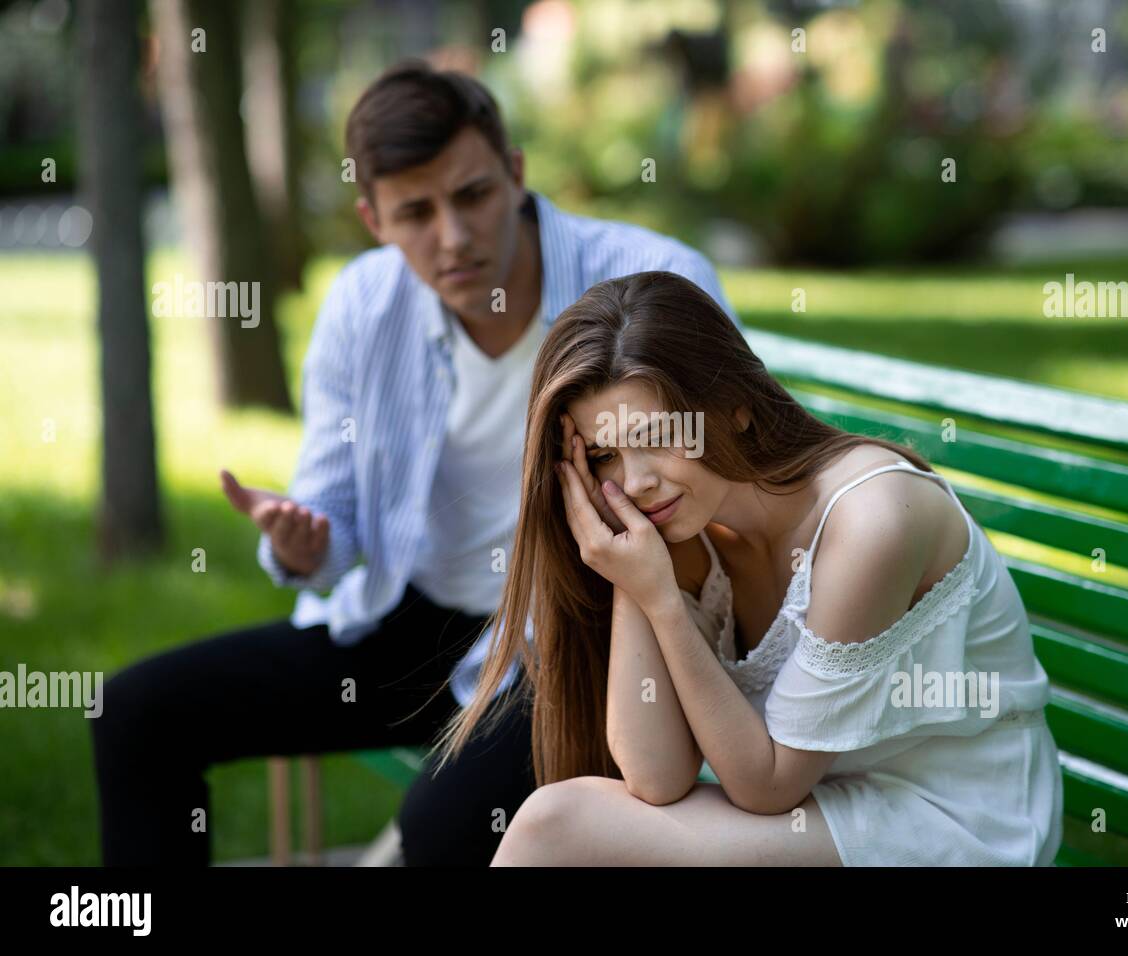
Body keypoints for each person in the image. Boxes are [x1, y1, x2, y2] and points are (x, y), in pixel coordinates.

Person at [89, 62, 738, 866]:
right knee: (135, 711)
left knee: (443, 824)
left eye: (471, 196)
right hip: (413, 626)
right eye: (416, 213)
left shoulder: (655, 280)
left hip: (580, 639)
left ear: (515, 172)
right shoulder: (363, 305)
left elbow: (721, 486)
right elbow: (332, 524)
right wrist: (304, 543)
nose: (453, 238)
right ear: (374, 219)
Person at [433, 270, 1064, 866]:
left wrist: (658, 598)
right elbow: (655, 776)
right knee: (564, 829)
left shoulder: (871, 521)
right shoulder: (682, 523)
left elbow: (768, 785)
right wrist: (633, 573)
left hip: (955, 822)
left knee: (556, 827)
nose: (637, 481)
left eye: (656, 436)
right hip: (829, 811)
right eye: (602, 456)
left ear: (735, 404)